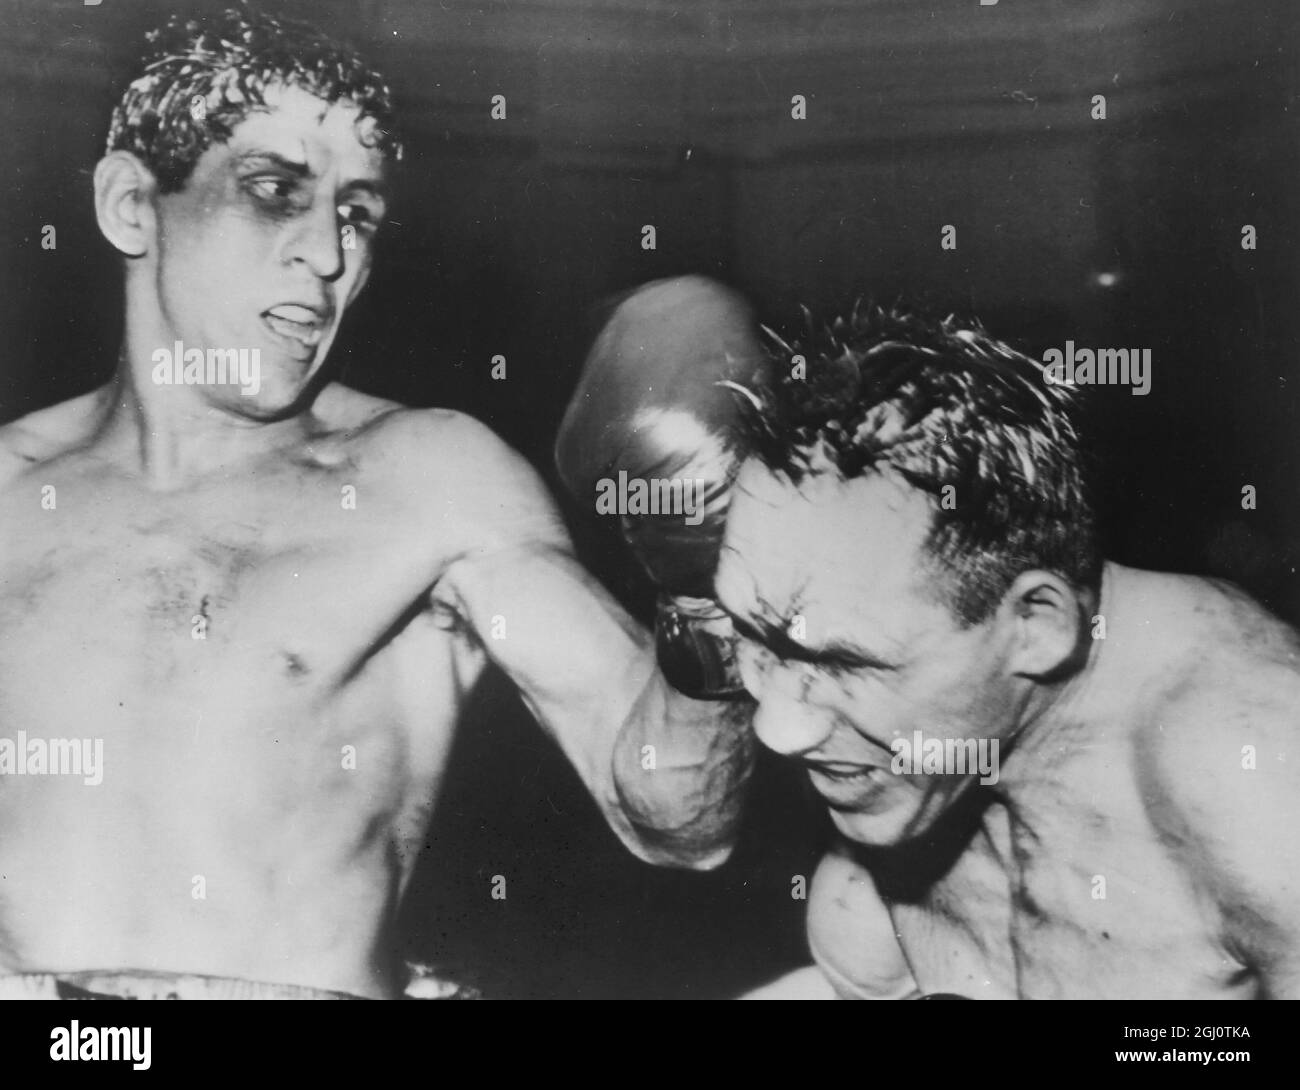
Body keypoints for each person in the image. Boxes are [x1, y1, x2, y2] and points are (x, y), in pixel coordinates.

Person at [0, 6, 758, 1000]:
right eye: (276, 193)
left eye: (356, 213)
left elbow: (678, 817)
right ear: (131, 205)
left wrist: (699, 586)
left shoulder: (426, 478)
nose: (328, 254)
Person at [721, 307, 1300, 999]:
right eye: (753, 639)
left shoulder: (1256, 778)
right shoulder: (900, 754)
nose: (777, 729)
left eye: (848, 663)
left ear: (1036, 624)